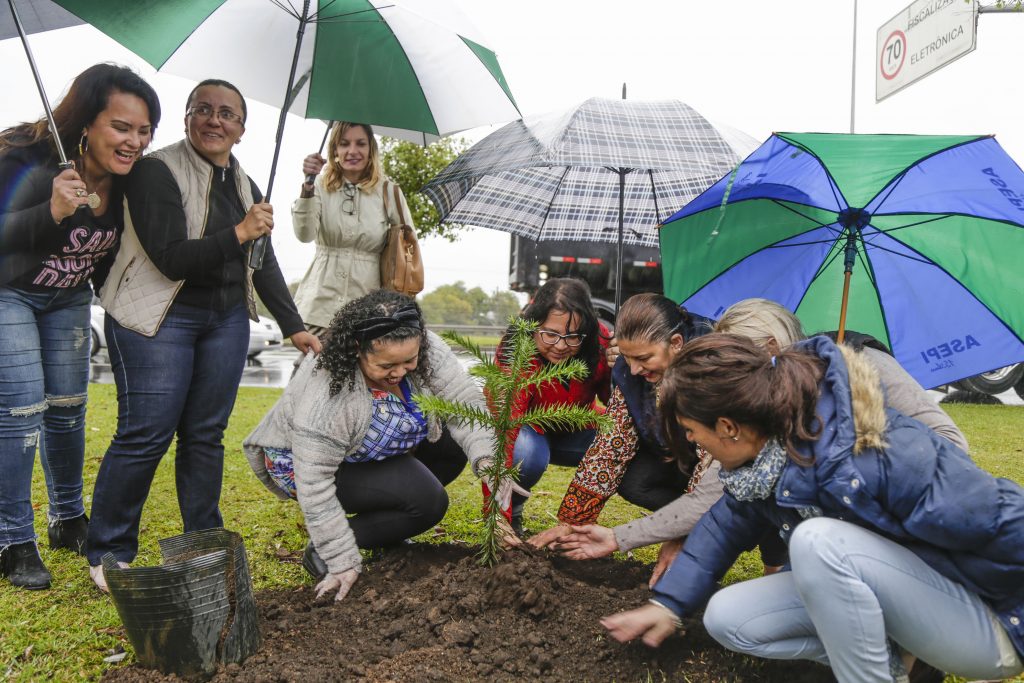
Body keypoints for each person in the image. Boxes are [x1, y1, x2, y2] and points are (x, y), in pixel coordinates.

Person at [601, 333, 1024, 683]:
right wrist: (668, 605)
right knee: (728, 618)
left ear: (728, 427)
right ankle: (898, 665)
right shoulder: (765, 462)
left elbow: (1001, 515)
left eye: (692, 430)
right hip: (911, 605)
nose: (692, 441)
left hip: (991, 624)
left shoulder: (874, 453)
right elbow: (723, 527)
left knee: (818, 541)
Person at [86, 79, 320, 592]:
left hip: (225, 320)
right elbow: (170, 257)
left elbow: (263, 262)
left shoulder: (246, 185)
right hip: (157, 315)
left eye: (228, 114)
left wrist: (294, 325)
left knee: (205, 435)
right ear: (187, 117)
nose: (215, 120)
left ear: (242, 128)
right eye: (203, 109)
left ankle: (205, 542)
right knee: (146, 432)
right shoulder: (155, 171)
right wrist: (239, 232)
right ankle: (108, 550)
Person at [545, 297, 969, 578]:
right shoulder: (759, 397)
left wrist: (854, 464)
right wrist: (608, 532)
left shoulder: (863, 365)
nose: (736, 378)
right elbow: (718, 490)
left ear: (769, 347)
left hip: (898, 516)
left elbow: (950, 444)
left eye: (742, 363)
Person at [0, 64, 160, 590]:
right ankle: (12, 539)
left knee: (68, 410)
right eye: (121, 127)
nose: (134, 141)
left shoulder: (129, 179)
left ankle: (67, 519)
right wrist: (51, 209)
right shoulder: (26, 159)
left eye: (144, 130)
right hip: (9, 293)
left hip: (68, 297)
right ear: (87, 123)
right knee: (22, 410)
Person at [243, 290, 499, 601]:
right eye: (387, 365)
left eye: (409, 360)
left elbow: (464, 403)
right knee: (427, 501)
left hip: (367, 447)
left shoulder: (423, 345)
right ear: (357, 349)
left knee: (450, 446)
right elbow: (313, 479)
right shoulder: (329, 393)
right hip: (305, 463)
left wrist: (488, 461)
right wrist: (338, 555)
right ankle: (324, 547)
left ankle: (387, 527)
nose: (400, 372)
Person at [530, 293, 760, 568]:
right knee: (636, 481)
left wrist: (682, 534)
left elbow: (711, 464)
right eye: (627, 358)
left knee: (710, 516)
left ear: (676, 343)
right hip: (678, 458)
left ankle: (720, 529)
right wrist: (572, 522)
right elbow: (611, 446)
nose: (634, 369)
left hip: (725, 471)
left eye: (643, 358)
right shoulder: (630, 371)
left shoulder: (712, 369)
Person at [494, 278, 611, 533]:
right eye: (550, 334)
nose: (560, 346)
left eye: (572, 336)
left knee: (619, 441)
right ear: (534, 324)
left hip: (578, 428)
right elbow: (507, 423)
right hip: (527, 429)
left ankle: (580, 521)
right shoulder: (518, 346)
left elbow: (614, 403)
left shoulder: (600, 342)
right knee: (525, 454)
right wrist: (497, 517)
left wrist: (622, 368)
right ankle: (511, 511)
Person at [292, 122, 414, 338]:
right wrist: (307, 186)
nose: (352, 151)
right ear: (334, 149)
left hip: (370, 309)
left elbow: (408, 247)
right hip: (320, 306)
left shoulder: (388, 191)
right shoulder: (319, 186)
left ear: (371, 149)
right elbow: (304, 235)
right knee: (313, 361)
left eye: (360, 144)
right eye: (344, 144)